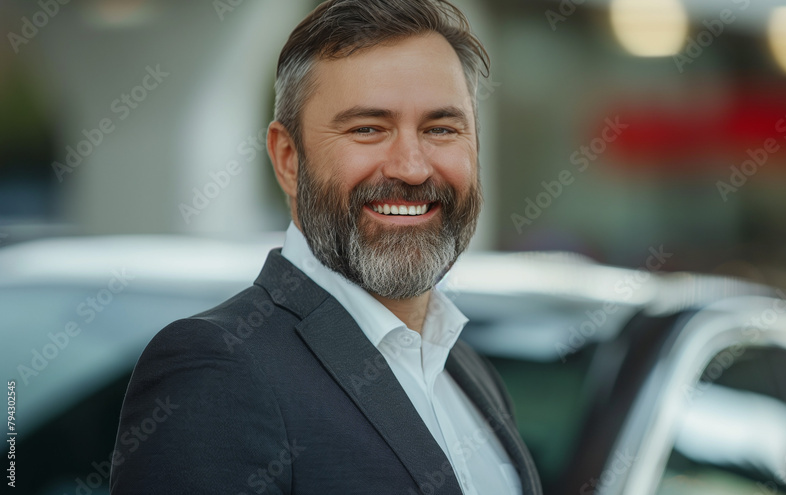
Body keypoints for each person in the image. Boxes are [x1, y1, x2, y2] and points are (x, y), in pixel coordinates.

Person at [110, 1, 541, 493]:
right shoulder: (216, 369)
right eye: (368, 129)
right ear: (288, 159)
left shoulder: (467, 371)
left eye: (440, 129)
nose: (412, 167)